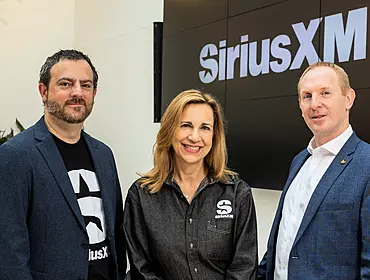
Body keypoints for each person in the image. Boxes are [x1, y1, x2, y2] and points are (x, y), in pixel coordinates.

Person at [0, 49, 126, 280]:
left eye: (85, 85)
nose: (77, 92)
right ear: (43, 91)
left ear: (94, 92)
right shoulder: (16, 155)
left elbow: (116, 231)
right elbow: (9, 252)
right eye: (66, 84)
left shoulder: (104, 154)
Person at [123, 89, 258, 280]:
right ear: (170, 131)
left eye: (205, 128)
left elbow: (244, 267)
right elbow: (141, 270)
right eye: (186, 125)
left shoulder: (237, 193)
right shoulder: (141, 195)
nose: (195, 137)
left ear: (214, 136)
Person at [257, 62, 370, 279]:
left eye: (325, 93)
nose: (315, 104)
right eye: (306, 96)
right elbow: (282, 240)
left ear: (349, 99)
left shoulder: (366, 164)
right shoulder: (300, 160)